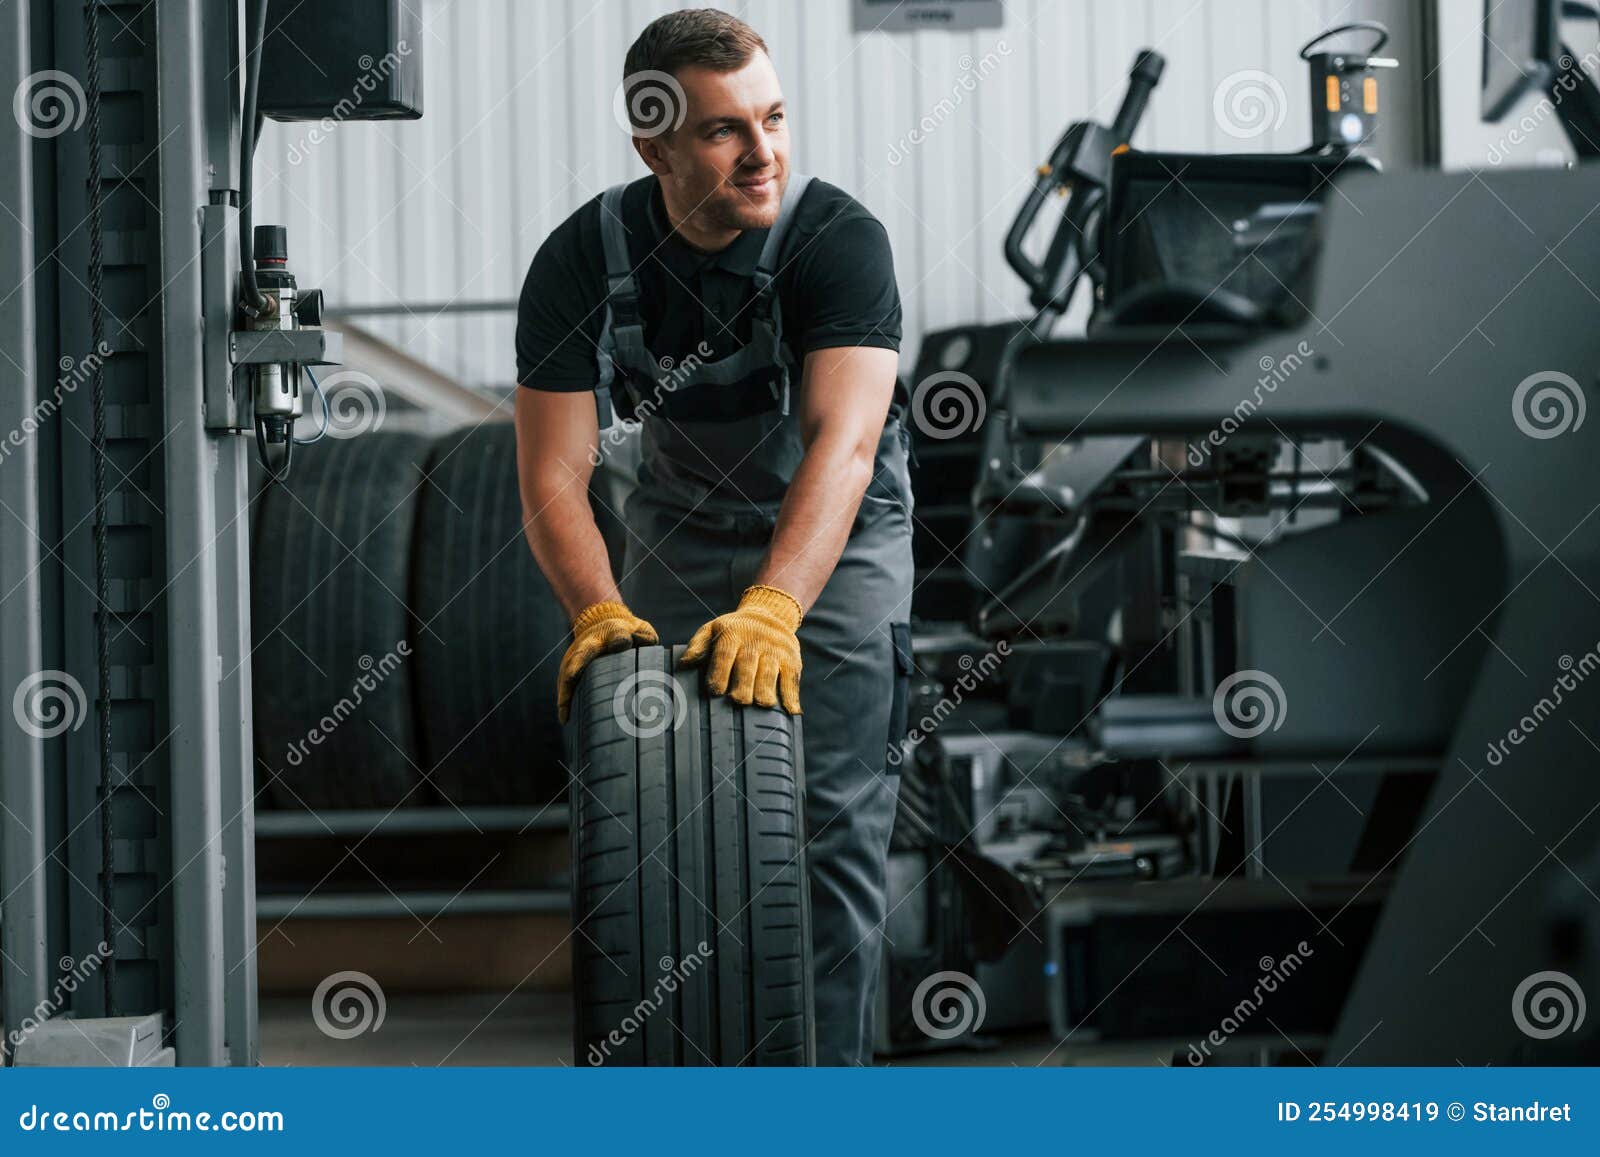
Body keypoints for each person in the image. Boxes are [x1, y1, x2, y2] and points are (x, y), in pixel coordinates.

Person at [513, 7, 914, 1066]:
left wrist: (778, 606)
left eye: (774, 118)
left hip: (839, 538)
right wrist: (597, 609)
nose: (764, 151)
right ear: (654, 145)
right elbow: (554, 470)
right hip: (680, 527)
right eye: (726, 131)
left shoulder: (837, 240)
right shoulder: (581, 260)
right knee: (664, 818)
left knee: (824, 824)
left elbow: (844, 445)